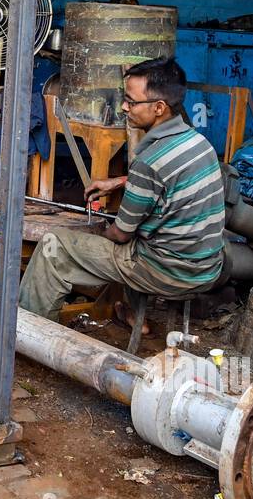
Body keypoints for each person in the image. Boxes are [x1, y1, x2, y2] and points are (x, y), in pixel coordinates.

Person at [19, 57, 226, 327]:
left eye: (131, 101)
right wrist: (118, 182)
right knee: (144, 230)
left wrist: (91, 238)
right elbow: (165, 180)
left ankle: (28, 333)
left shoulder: (148, 160)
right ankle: (130, 313)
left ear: (159, 107)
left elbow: (120, 234)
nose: (125, 107)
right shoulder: (198, 142)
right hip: (208, 268)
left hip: (168, 272)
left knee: (55, 245)